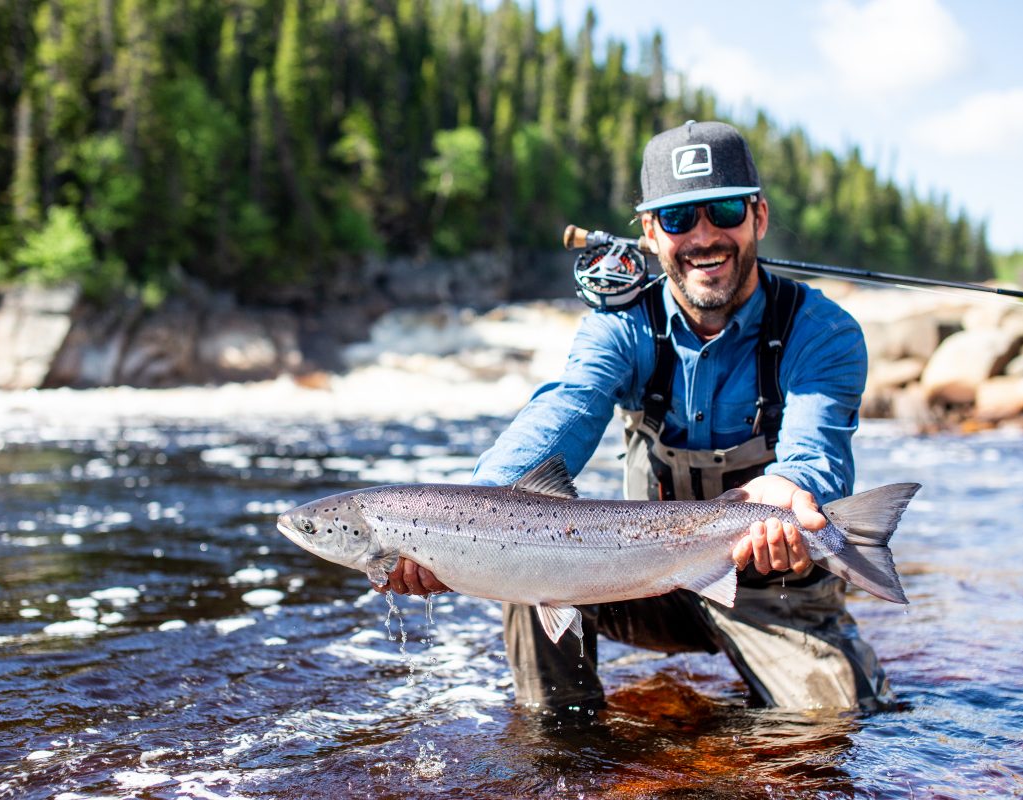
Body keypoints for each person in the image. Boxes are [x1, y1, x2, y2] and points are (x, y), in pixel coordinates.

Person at [378, 120, 892, 712]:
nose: (704, 237)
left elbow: (816, 451)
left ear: (759, 217)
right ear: (650, 232)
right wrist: (471, 519)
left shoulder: (820, 332)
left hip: (777, 590)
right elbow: (567, 407)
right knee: (525, 569)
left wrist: (793, 490)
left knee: (829, 736)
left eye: (723, 210)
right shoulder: (621, 326)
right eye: (678, 219)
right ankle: (566, 758)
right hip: (643, 579)